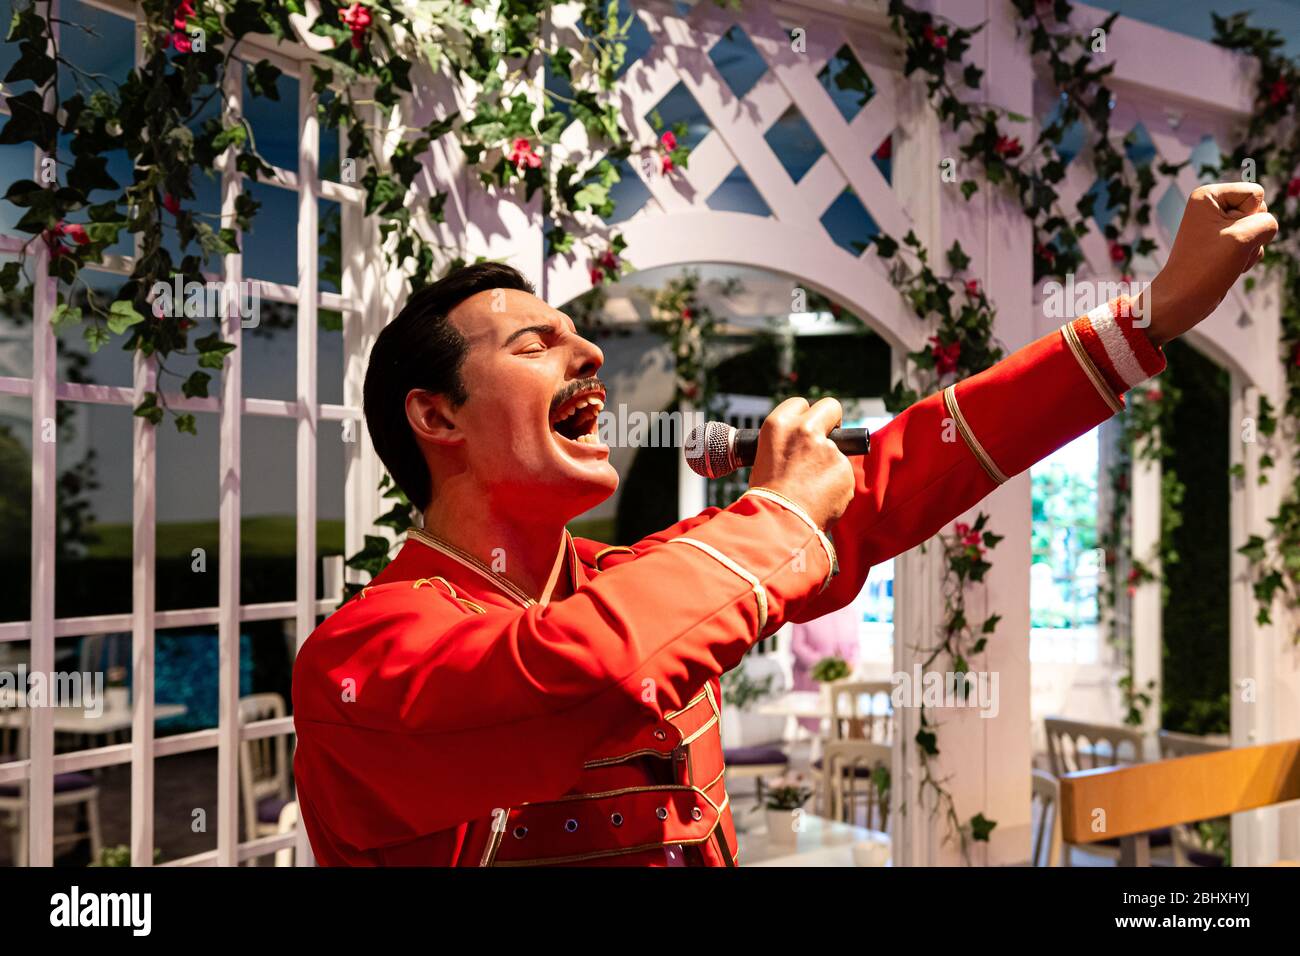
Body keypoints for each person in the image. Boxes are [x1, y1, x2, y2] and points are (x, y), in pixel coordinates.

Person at [292, 183, 1277, 866]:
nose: (586, 348)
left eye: (579, 331)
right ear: (436, 416)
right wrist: (773, 514)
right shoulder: (368, 655)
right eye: (535, 341)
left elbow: (890, 481)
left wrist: (1145, 318)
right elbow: (581, 672)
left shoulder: (632, 576)